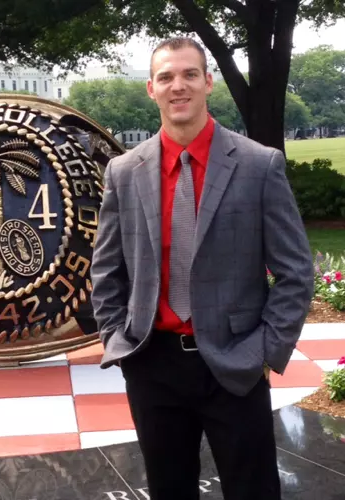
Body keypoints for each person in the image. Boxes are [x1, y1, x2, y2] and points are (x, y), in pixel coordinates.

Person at [90, 37, 314, 500]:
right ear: (151, 89)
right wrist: (120, 338)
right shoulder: (124, 172)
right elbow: (106, 270)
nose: (179, 86)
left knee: (252, 489)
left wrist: (264, 349)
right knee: (169, 489)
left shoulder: (259, 165)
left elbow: (295, 272)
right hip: (153, 362)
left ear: (208, 83)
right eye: (167, 77)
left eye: (190, 74)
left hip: (235, 360)